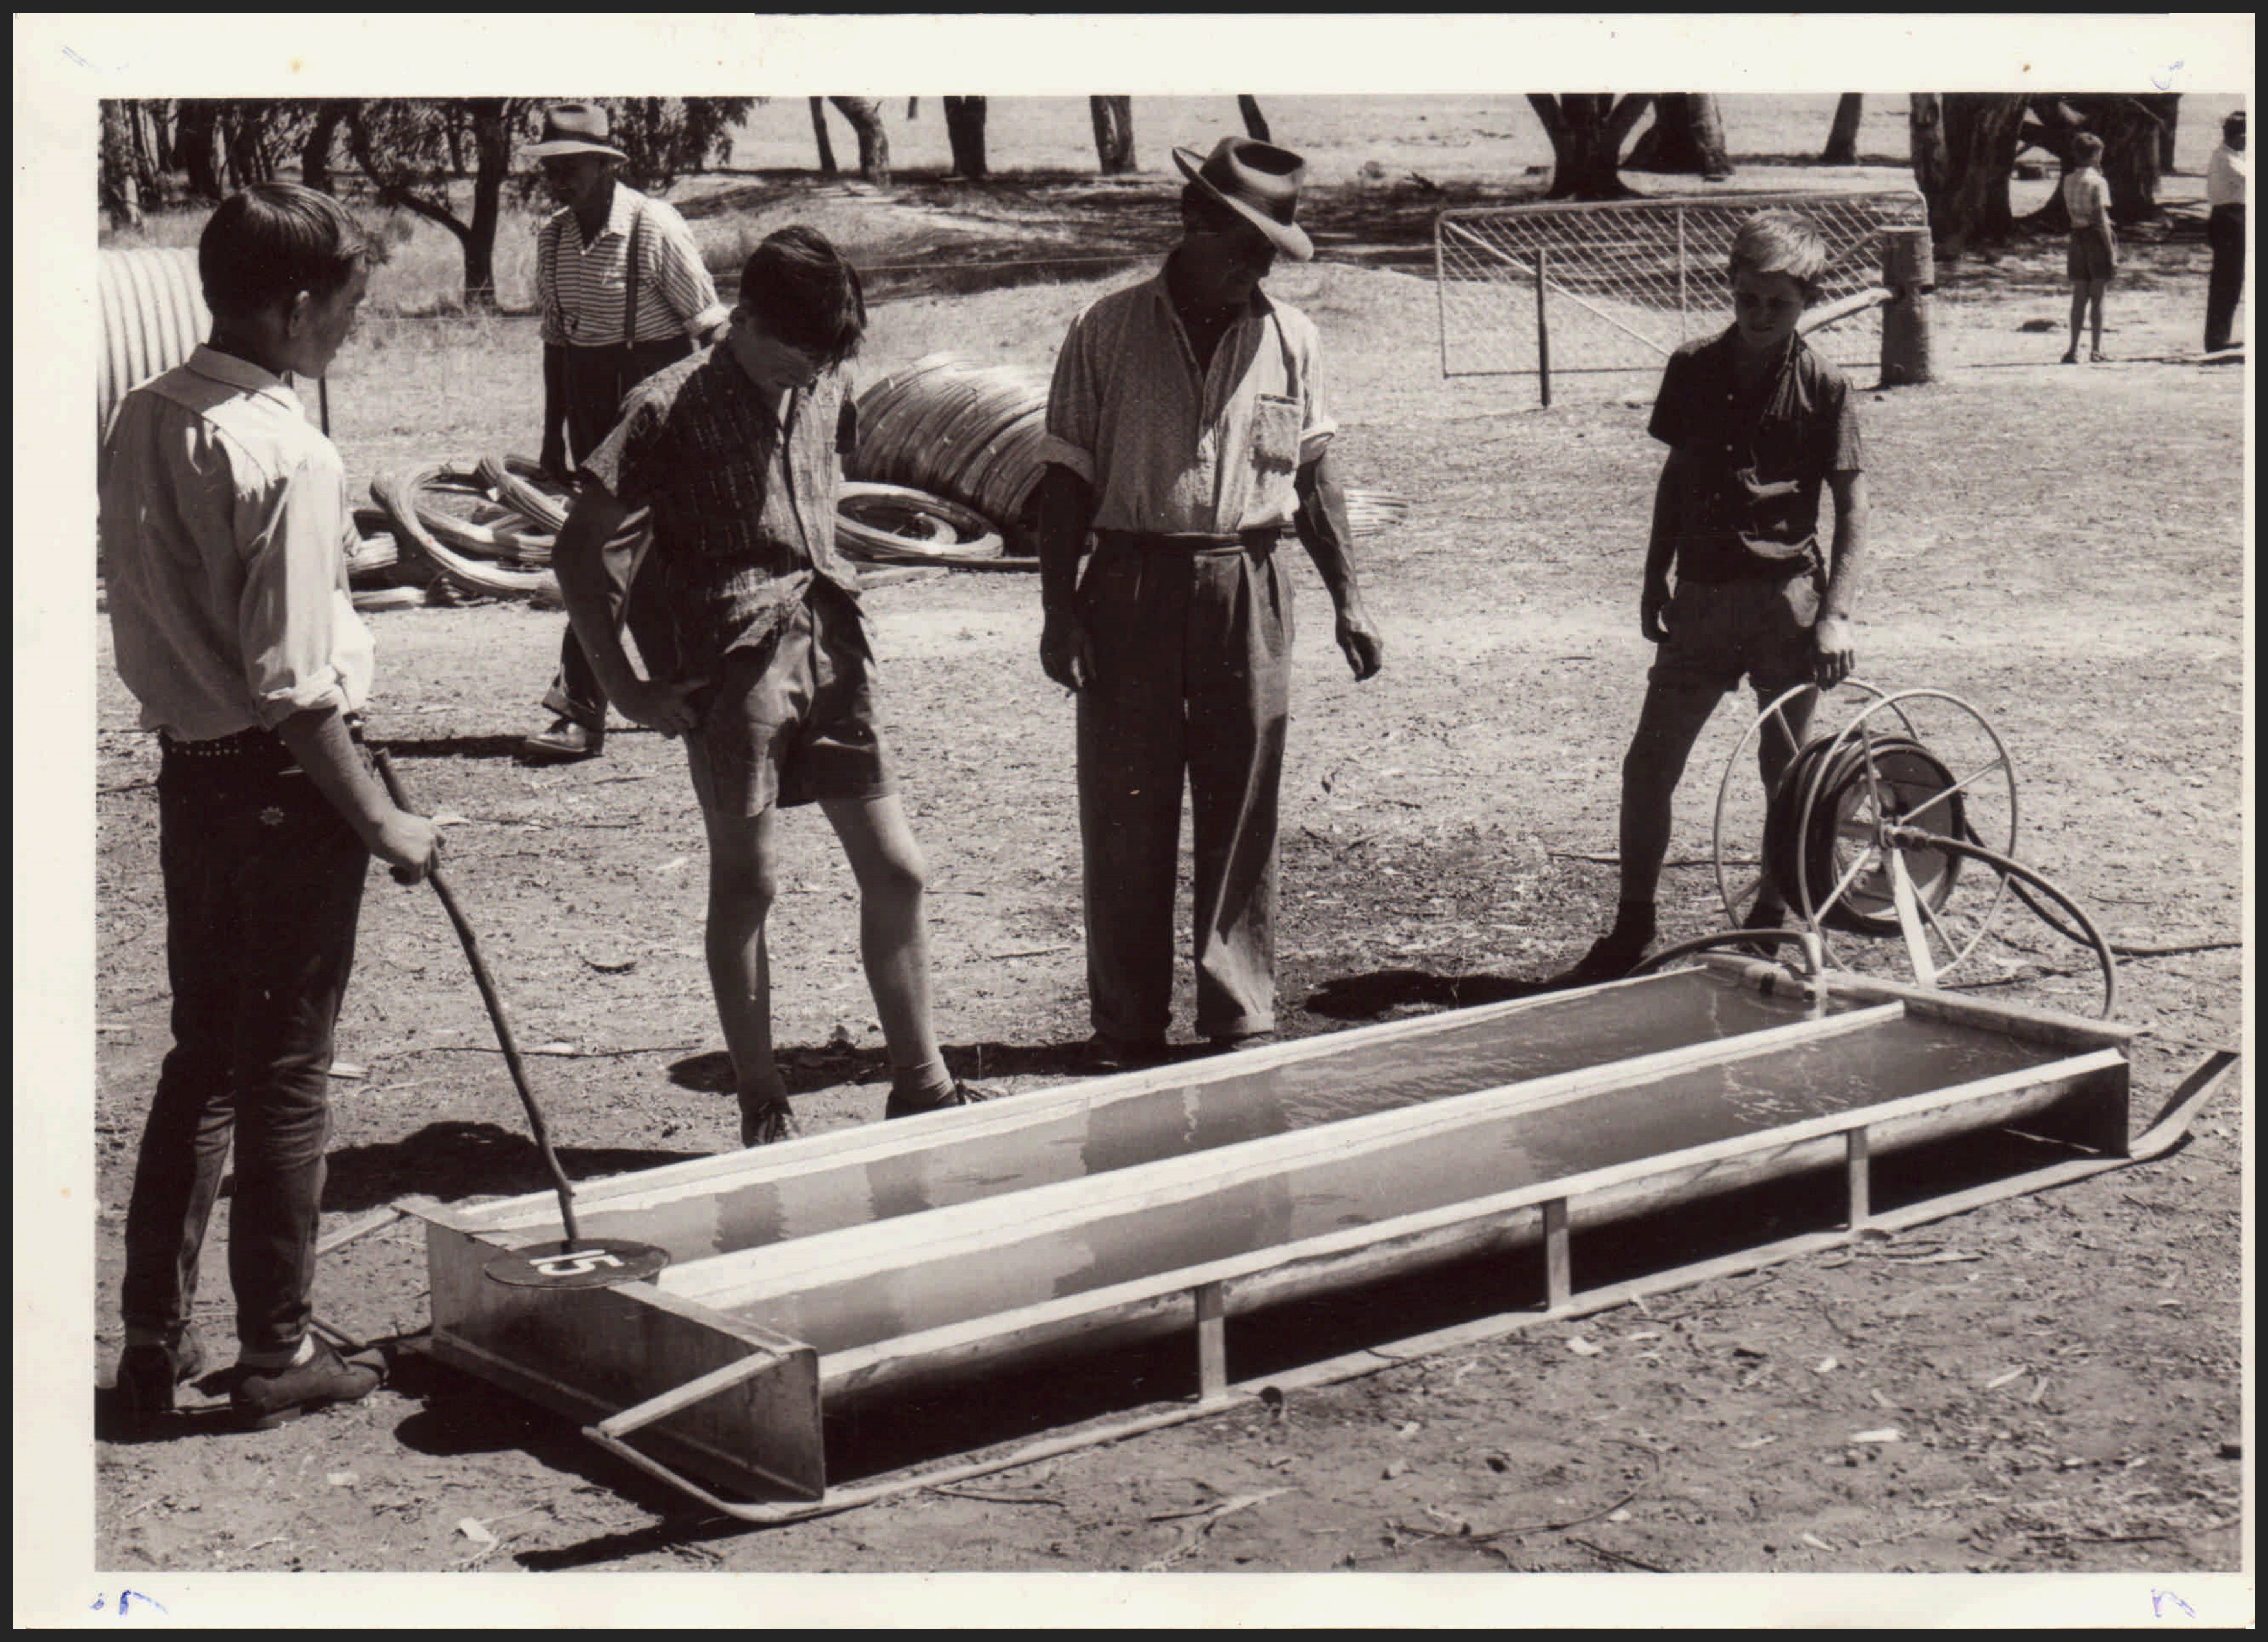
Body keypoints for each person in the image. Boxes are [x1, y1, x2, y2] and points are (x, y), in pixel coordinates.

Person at [101, 184, 444, 1429]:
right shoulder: (288, 450)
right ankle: (276, 1349)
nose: (356, 329)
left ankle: (152, 1342)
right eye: (351, 306)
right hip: (282, 789)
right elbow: (298, 693)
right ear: (298, 306)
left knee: (203, 1058)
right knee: (286, 1070)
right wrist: (386, 823)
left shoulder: (144, 413)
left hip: (191, 781)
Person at [550, 226, 985, 1145]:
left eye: (824, 358)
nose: (810, 373)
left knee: (899, 869)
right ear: (743, 318)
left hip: (832, 640)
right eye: (795, 354)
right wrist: (623, 687)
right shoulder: (664, 405)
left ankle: (924, 1083)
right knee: (748, 885)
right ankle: (763, 1103)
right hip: (732, 663)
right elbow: (577, 550)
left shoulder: (827, 375)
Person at [1036, 136, 1386, 1070]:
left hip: (1250, 581)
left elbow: (1313, 477)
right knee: (1124, 806)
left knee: (1242, 804)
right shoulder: (1103, 329)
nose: (1260, 265)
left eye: (1272, 248)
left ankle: (1238, 1011)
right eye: (1246, 244)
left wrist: (1350, 598)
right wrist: (1058, 610)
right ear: (1192, 226)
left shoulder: (1292, 339)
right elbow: (1064, 479)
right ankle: (1126, 1025)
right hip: (1129, 580)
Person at [1559, 209, 1868, 984]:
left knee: (1785, 772)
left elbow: (1851, 506)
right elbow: (1675, 477)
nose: (1761, 317)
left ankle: (1772, 921)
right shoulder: (1691, 366)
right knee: (1648, 765)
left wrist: (1832, 617)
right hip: (1698, 600)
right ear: (1729, 289)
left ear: (1807, 303)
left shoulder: (1826, 385)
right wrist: (1651, 573)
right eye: (1748, 299)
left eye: (1779, 304)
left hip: (1785, 605)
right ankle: (1631, 925)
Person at [519, 102, 731, 764]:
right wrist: (553, 435)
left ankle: (579, 708)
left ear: (608, 166)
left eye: (572, 167)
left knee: (599, 553)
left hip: (652, 411)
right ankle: (695, 691)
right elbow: (557, 341)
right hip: (588, 405)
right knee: (639, 566)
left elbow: (710, 328)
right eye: (551, 168)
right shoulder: (552, 237)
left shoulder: (654, 226)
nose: (560, 181)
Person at [2060, 131, 2117, 365]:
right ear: (2095, 155)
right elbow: (2101, 218)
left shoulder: (2068, 180)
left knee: (2079, 295)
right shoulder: (2098, 182)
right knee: (2098, 296)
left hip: (2077, 236)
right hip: (2096, 237)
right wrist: (2112, 252)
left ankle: (2073, 349)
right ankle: (2096, 348)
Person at [2205, 110, 2246, 354]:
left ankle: (2221, 335)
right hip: (2229, 218)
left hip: (2235, 217)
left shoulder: (2234, 156)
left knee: (2232, 278)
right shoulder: (2226, 160)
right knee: (2227, 278)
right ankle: (2216, 338)